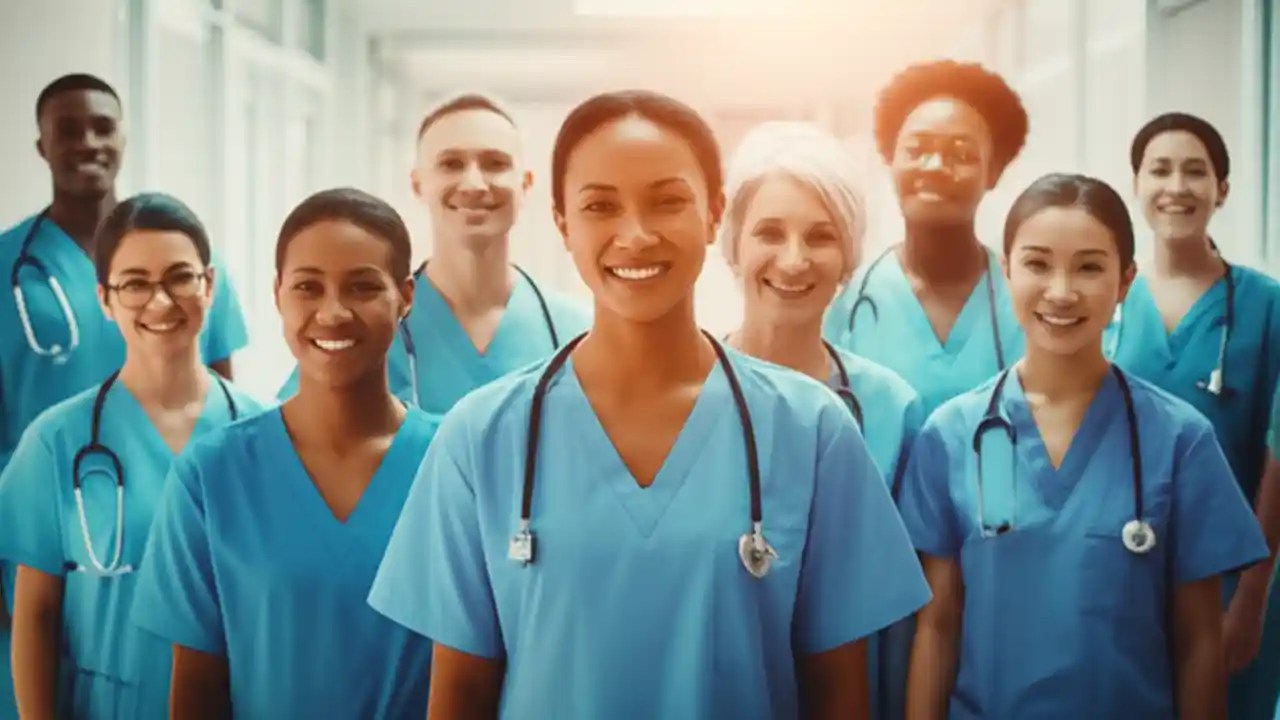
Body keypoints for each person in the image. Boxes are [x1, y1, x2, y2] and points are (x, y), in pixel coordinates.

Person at [369, 89, 930, 719]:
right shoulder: (481, 436)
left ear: (715, 215)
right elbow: (462, 693)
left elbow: (837, 692)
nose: (634, 236)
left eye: (667, 201)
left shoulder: (812, 430)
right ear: (562, 224)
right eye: (600, 206)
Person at [898, 173, 1267, 718]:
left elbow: (1198, 641)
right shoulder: (954, 436)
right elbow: (939, 624)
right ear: (1006, 271)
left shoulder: (1178, 440)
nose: (1062, 291)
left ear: (1125, 282)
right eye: (1038, 264)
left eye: (1090, 267)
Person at [130, 189, 436, 717]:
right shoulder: (212, 477)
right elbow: (197, 691)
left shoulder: (454, 464)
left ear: (405, 296)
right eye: (307, 288)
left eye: (363, 287)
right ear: (277, 295)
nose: (332, 311)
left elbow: (485, 673)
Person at [0, 73, 249, 720]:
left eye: (102, 125)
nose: (160, 300)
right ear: (106, 298)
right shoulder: (53, 442)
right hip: (71, 518)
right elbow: (37, 614)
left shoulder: (255, 436)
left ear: (208, 284)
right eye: (134, 284)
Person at [718, 121, 923, 720]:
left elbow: (904, 610)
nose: (794, 259)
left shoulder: (891, 409)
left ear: (849, 257)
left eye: (820, 236)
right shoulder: (687, 394)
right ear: (732, 246)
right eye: (768, 233)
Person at [1105, 111, 1280, 719]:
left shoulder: (1266, 305)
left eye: (1195, 172)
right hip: (1120, 568)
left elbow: (1276, 463)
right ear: (1136, 184)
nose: (1175, 186)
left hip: (1234, 575)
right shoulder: (1110, 301)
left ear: (1222, 191)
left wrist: (1252, 597)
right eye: (1159, 169)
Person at [276, 93, 590, 416]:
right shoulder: (362, 325)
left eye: (495, 164)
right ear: (418, 184)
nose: (474, 183)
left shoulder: (578, 332)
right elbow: (302, 436)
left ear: (525, 184)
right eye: (450, 164)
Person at [822, 60, 1027, 415]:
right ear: (890, 161)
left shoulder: (1025, 298)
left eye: (961, 155)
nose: (934, 167)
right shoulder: (848, 305)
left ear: (993, 172)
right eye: (916, 150)